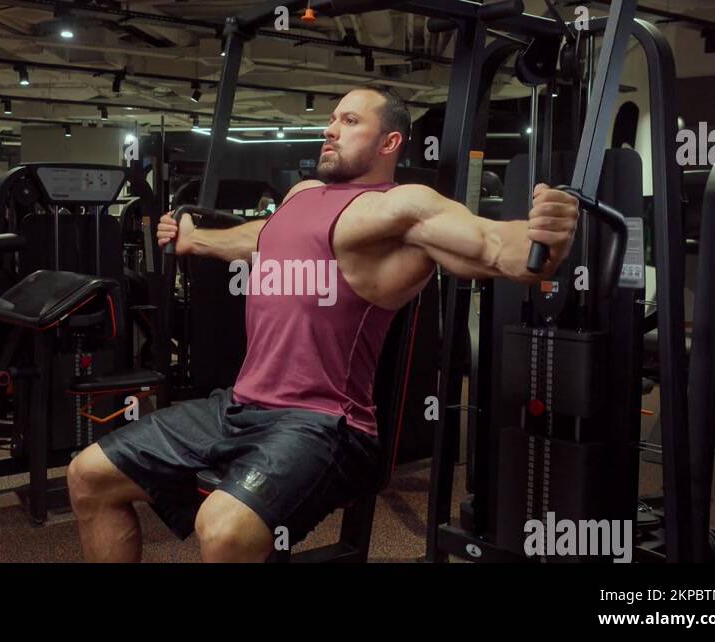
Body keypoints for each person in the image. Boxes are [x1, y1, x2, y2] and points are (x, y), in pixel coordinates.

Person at [67, 84, 581, 562]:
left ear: (389, 142)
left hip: (325, 424)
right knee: (88, 475)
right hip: (242, 405)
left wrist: (544, 242)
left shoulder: (400, 207)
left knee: (222, 530)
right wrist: (196, 240)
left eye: (350, 120)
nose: (330, 128)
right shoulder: (301, 195)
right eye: (332, 118)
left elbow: (495, 248)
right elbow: (261, 236)